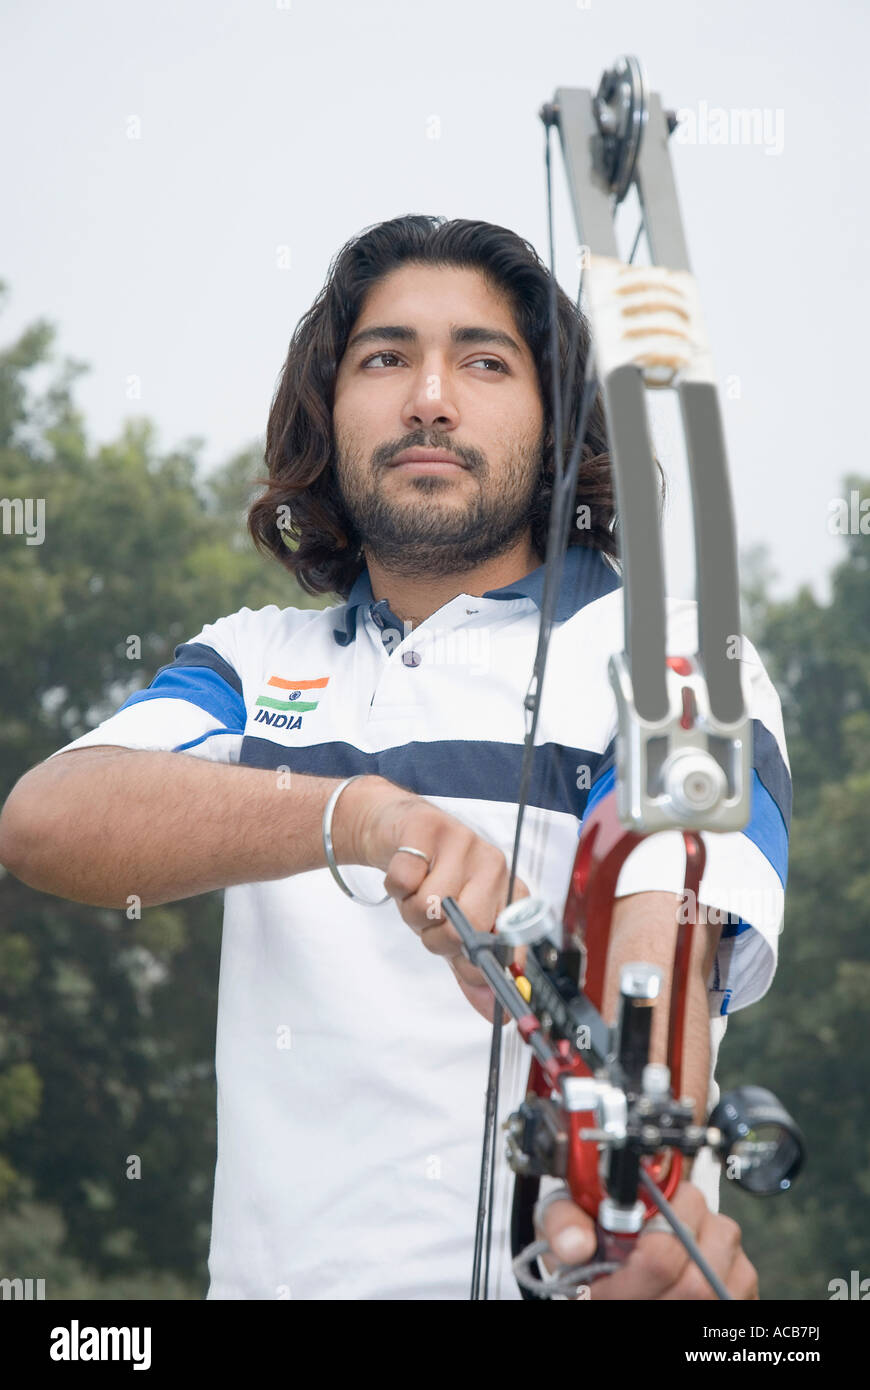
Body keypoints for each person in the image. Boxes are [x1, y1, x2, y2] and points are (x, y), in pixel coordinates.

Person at [0, 215, 790, 1301]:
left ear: (557, 419)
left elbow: (665, 950)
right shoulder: (252, 661)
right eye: (385, 357)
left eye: (483, 359)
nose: (430, 396)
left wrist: (623, 1181)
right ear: (328, 412)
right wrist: (362, 816)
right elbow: (48, 819)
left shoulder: (672, 662)